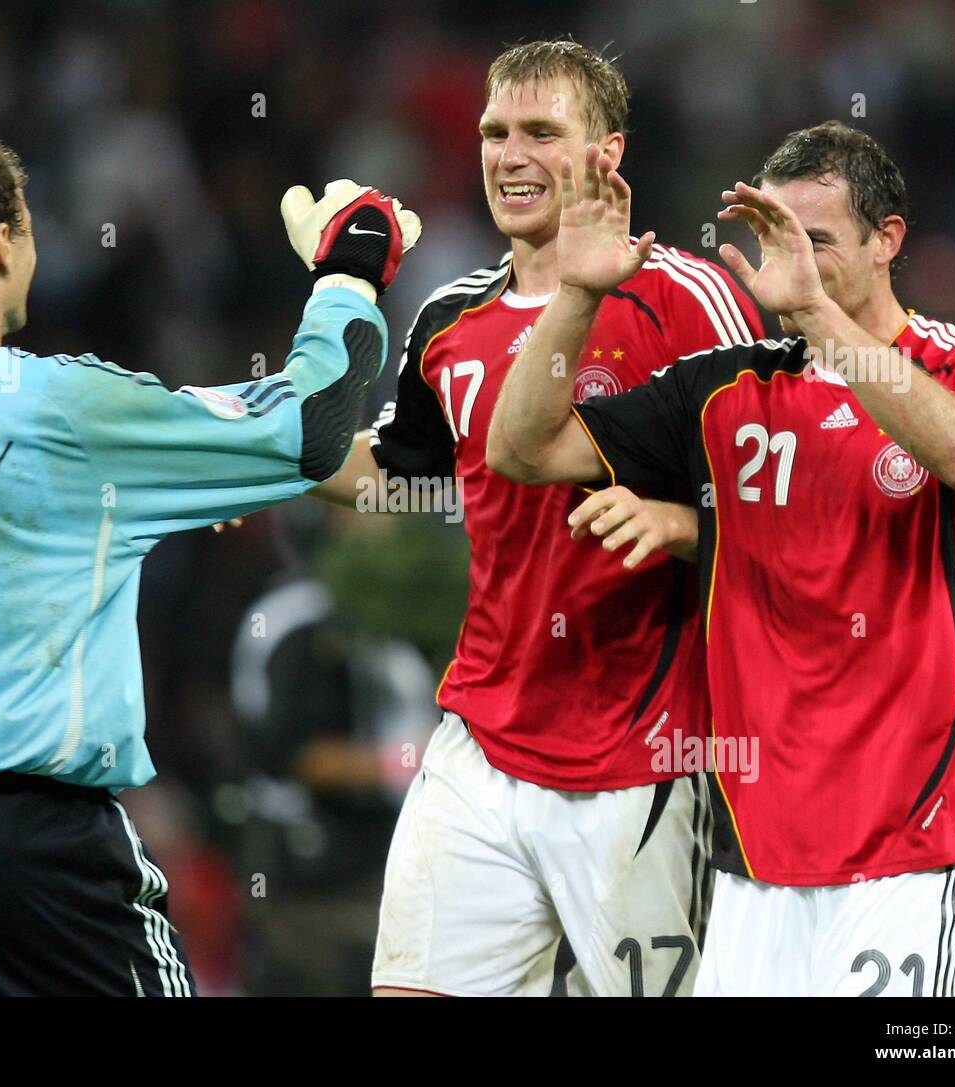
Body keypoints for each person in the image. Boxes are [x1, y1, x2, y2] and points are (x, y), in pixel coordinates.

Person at [0, 125, 420, 996]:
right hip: (38, 848)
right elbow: (312, 429)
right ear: (4, 241)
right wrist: (352, 272)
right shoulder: (68, 408)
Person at [487, 120, 955, 996]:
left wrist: (820, 317)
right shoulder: (723, 390)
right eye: (774, 236)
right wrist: (577, 294)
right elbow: (521, 449)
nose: (791, 263)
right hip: (753, 853)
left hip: (915, 838)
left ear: (886, 240)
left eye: (815, 241)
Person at [309, 39, 763, 997]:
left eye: (540, 133)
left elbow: (778, 486)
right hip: (481, 740)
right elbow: (405, 475)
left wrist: (681, 523)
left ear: (609, 154)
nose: (508, 154)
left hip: (642, 757)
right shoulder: (449, 319)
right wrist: (251, 464)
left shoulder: (688, 299)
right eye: (494, 132)